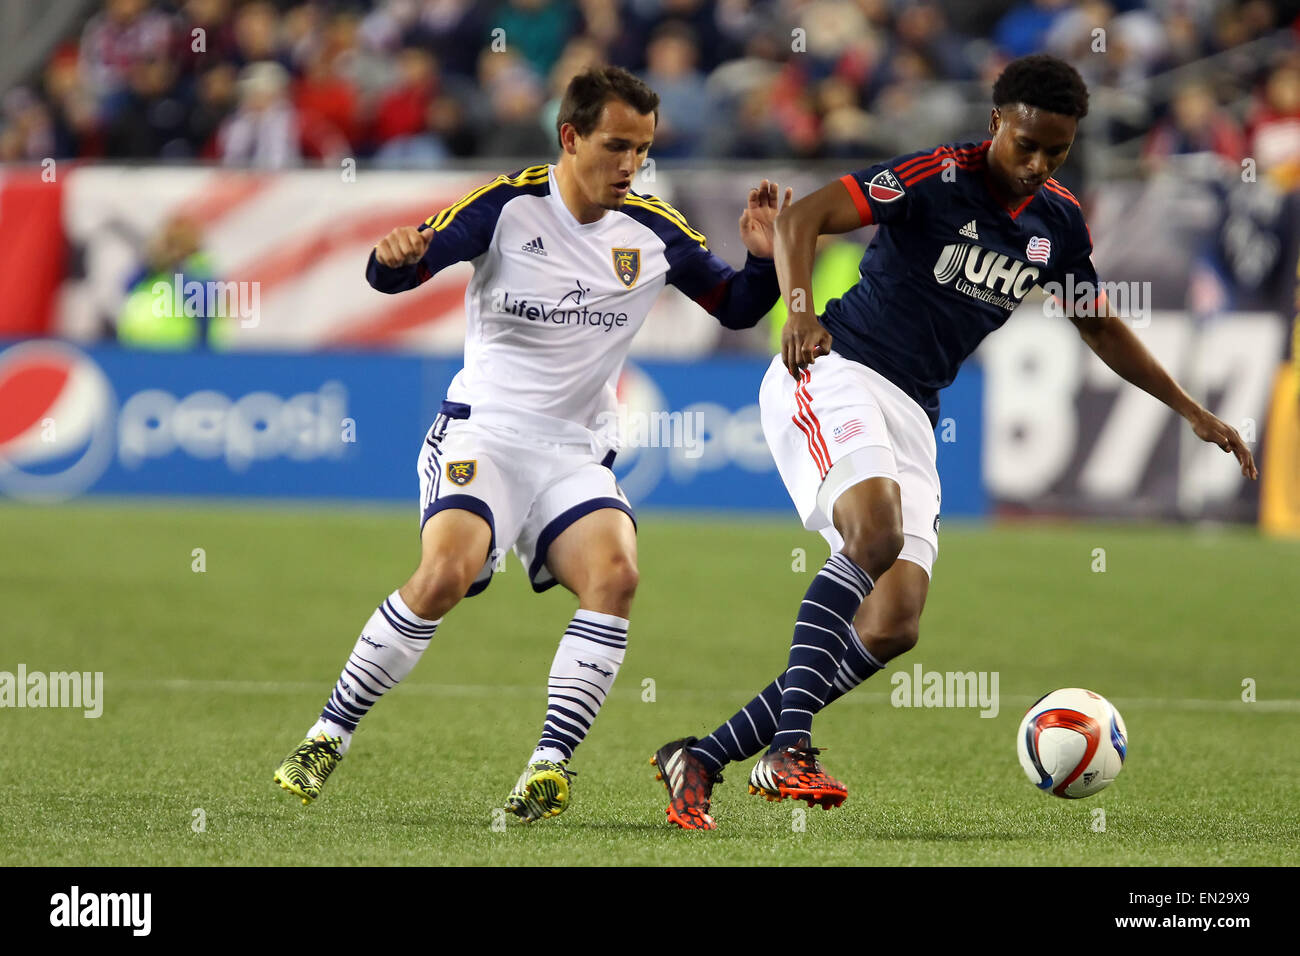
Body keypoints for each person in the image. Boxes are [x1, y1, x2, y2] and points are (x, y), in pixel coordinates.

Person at [651, 53, 1257, 830]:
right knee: (873, 534)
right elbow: (804, 220)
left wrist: (1191, 409)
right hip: (836, 366)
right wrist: (799, 309)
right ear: (996, 122)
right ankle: (790, 747)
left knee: (895, 621)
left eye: (1057, 151)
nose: (1037, 164)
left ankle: (702, 756)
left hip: (914, 407)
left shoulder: (1058, 223)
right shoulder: (935, 176)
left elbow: (1098, 321)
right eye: (1026, 144)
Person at [273, 65, 790, 822]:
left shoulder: (655, 231)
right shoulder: (508, 206)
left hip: (575, 453)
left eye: (642, 150)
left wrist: (763, 258)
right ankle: (328, 734)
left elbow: (740, 309)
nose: (630, 166)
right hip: (484, 430)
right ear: (570, 136)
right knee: (446, 573)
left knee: (615, 576)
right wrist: (389, 259)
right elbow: (410, 266)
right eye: (616, 146)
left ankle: (549, 765)